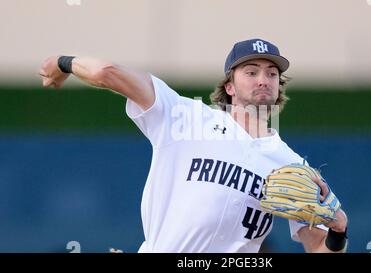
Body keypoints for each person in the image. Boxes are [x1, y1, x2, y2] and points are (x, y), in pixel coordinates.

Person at [39, 38, 348, 253]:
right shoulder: (184, 116)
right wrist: (63, 62)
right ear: (229, 86)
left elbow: (318, 247)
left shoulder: (292, 167)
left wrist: (337, 230)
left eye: (271, 73)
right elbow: (107, 73)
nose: (263, 79)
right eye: (251, 72)